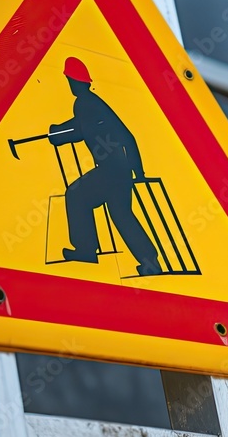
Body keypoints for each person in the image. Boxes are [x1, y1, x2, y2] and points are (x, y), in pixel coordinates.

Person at [50, 56, 161, 276]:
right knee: (121, 214)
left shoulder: (84, 103)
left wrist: (56, 133)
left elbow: (81, 131)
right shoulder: (92, 103)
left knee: (76, 195)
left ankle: (86, 250)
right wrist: (136, 171)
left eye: (71, 81)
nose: (70, 85)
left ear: (76, 82)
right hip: (119, 171)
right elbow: (84, 129)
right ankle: (151, 262)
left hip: (112, 171)